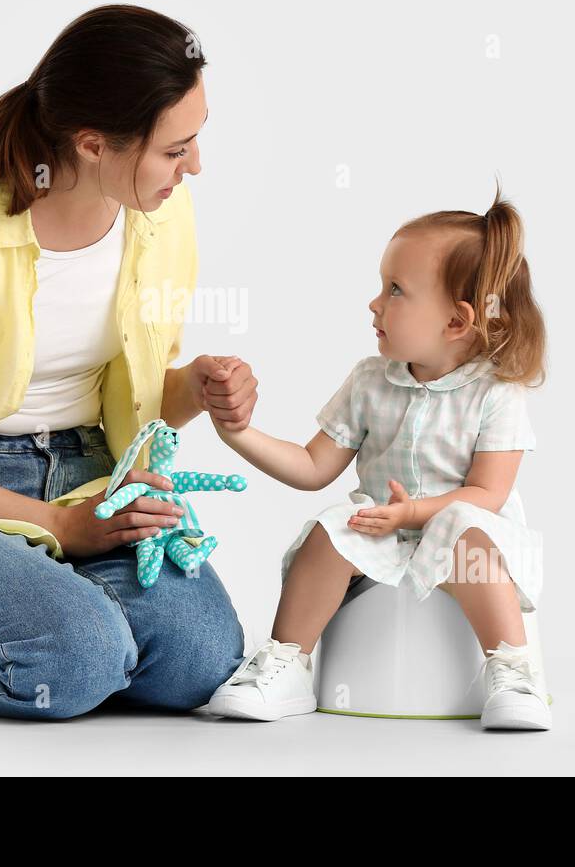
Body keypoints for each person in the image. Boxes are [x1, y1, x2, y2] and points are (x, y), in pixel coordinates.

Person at [0, 5, 259, 720]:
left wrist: (199, 389)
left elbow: (137, 398)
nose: (195, 168)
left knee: (199, 664)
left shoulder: (160, 213)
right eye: (175, 149)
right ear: (94, 143)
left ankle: (66, 614)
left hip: (97, 482)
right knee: (73, 663)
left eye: (196, 141)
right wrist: (55, 529)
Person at [206, 185, 551, 729]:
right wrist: (238, 434)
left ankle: (511, 667)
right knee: (328, 529)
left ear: (457, 322)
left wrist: (414, 512)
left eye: (395, 290)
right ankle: (289, 660)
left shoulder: (496, 393)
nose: (374, 303)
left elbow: (489, 494)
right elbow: (313, 467)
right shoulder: (371, 380)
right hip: (382, 532)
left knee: (471, 534)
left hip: (461, 532)